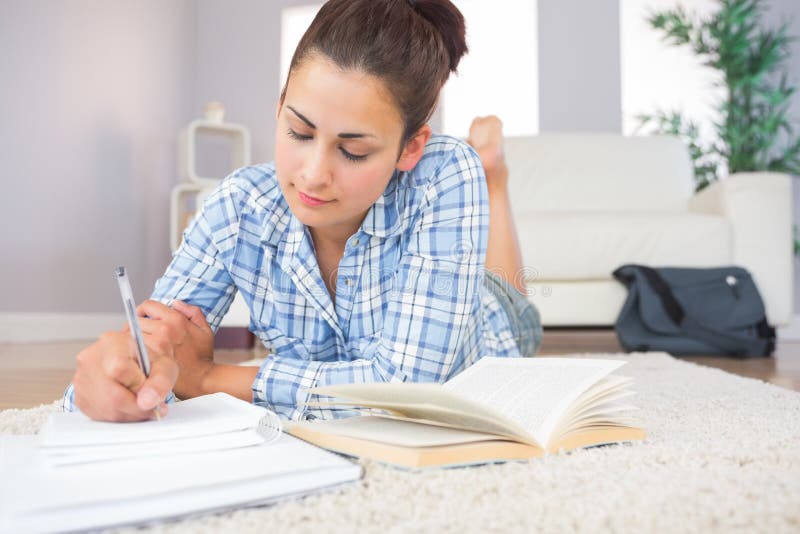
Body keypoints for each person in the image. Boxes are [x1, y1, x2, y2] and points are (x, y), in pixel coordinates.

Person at [63, 0, 542, 422]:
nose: (313, 175)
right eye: (299, 132)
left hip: (493, 326)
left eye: (352, 151)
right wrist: (116, 379)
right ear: (280, 107)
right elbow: (155, 357)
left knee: (508, 299)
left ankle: (494, 180)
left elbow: (407, 388)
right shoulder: (240, 207)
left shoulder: (444, 171)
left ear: (410, 147)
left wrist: (208, 379)